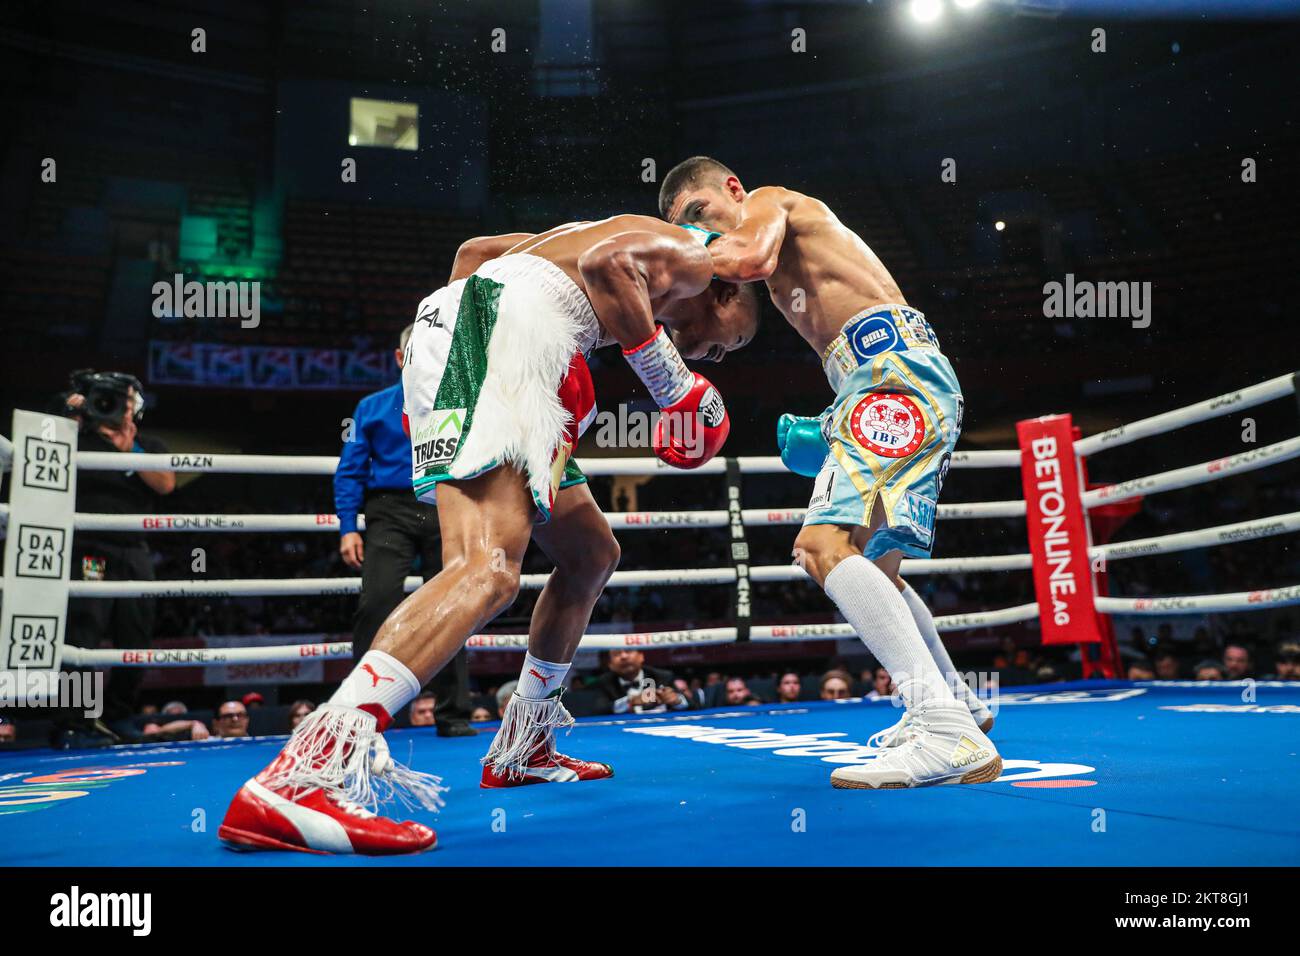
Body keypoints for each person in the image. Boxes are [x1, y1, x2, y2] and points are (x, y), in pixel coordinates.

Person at [219, 216, 756, 854]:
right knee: (487, 570)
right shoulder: (697, 256)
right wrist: (673, 384)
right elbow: (608, 266)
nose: (710, 356)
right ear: (727, 293)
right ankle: (302, 774)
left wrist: (457, 354)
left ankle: (525, 743)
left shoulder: (585, 239)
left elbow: (474, 252)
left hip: (501, 345)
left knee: (589, 554)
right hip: (500, 340)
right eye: (726, 345)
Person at [660, 156, 999, 789]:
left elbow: (750, 257)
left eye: (700, 213)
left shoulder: (772, 201)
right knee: (874, 566)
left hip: (891, 375)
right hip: (878, 377)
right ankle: (961, 706)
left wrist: (669, 246)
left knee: (821, 547)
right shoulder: (788, 257)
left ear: (732, 189)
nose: (699, 232)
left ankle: (943, 727)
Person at [335, 323, 475, 737]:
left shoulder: (463, 404)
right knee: (376, 601)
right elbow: (350, 472)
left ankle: (454, 714)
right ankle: (359, 712)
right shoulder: (372, 408)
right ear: (401, 358)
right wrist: (347, 527)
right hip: (389, 510)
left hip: (447, 504)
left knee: (452, 608)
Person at [59, 372, 176, 731]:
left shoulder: (148, 445)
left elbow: (166, 484)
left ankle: (119, 715)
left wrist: (131, 450)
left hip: (133, 550)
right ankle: (75, 722)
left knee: (136, 633)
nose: (112, 407)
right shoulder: (77, 437)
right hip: (89, 550)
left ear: (134, 407)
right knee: (83, 633)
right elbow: (44, 437)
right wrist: (72, 409)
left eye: (120, 400)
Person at [594, 649, 690, 715]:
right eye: (616, 654)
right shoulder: (604, 682)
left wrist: (677, 700)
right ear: (610, 664)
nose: (624, 656)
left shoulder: (662, 676)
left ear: (641, 656)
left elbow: (693, 705)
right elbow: (597, 710)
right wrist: (629, 702)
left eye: (628, 651)